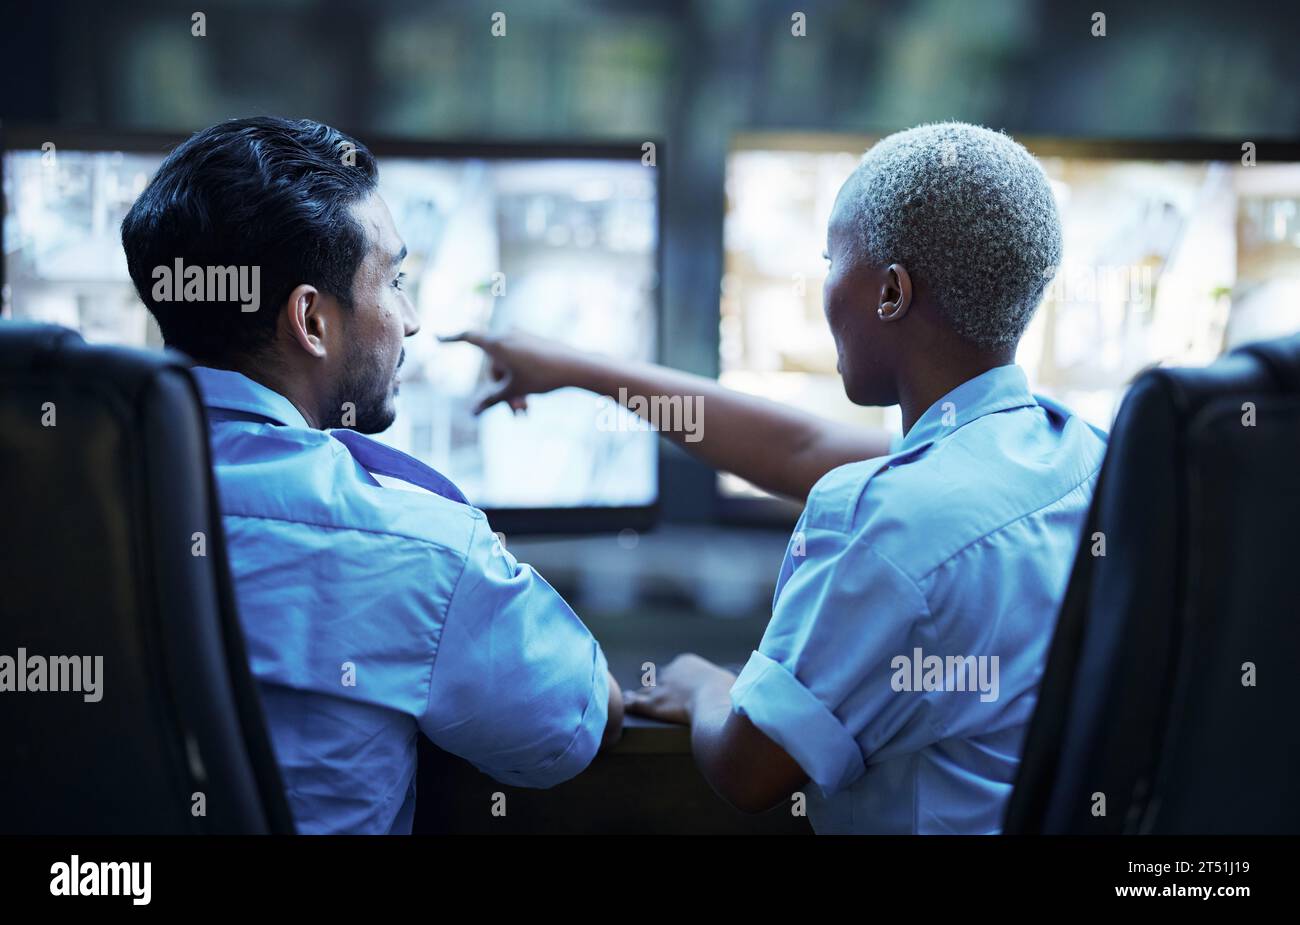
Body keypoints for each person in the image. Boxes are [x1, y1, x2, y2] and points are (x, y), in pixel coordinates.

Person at [450, 122, 1108, 834]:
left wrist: (705, 683)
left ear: (891, 292)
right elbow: (801, 447)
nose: (823, 288)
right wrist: (580, 371)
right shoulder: (1074, 452)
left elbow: (748, 765)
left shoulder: (885, 522)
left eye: (832, 261)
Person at [119, 116, 622, 834]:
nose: (410, 320)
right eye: (394, 279)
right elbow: (576, 723)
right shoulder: (423, 548)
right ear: (312, 321)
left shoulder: (47, 508)